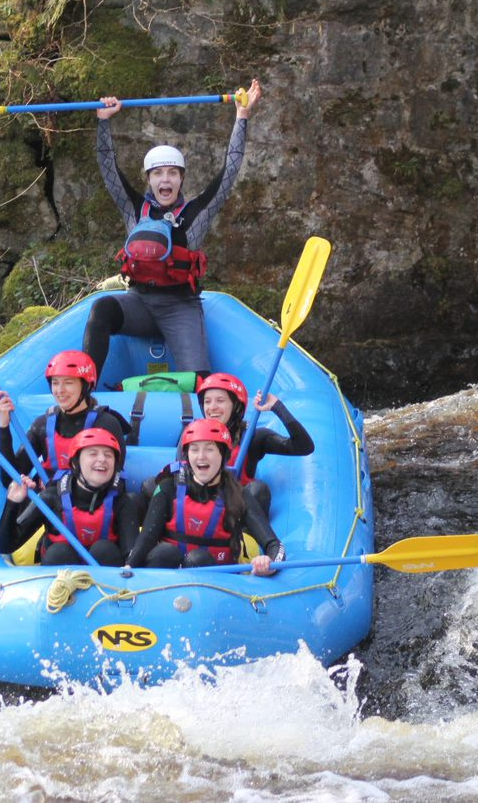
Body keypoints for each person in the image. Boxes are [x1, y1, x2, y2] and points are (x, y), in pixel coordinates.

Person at [81, 78, 264, 384]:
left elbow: (230, 170)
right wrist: (103, 121)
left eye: (172, 173)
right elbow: (108, 168)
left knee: (199, 379)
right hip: (138, 303)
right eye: (158, 174)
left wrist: (242, 116)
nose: (165, 180)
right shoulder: (134, 208)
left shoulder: (196, 212)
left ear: (181, 179)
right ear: (149, 179)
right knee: (101, 309)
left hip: (181, 309)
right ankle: (85, 391)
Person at [128, 418, 284, 573]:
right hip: (168, 577)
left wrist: (269, 564)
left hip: (215, 579)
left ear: (223, 455)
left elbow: (275, 546)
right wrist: (129, 566)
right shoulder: (168, 488)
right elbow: (147, 537)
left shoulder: (238, 495)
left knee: (198, 559)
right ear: (187, 455)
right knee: (165, 553)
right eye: (194, 450)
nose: (201, 456)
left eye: (209, 449)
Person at [0, 428, 140, 566]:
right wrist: (12, 503)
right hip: (59, 574)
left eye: (108, 455)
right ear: (75, 463)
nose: (102, 459)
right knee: (59, 553)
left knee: (104, 551)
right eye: (93, 454)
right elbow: (5, 546)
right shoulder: (51, 498)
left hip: (104, 576)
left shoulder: (122, 503)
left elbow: (132, 558)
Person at [0, 349, 126, 485]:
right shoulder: (43, 425)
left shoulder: (106, 424)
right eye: (55, 383)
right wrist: (3, 427)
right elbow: (9, 479)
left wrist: (58, 487)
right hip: (51, 496)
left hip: (87, 497)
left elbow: (113, 481)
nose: (60, 390)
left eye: (68, 382)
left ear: (86, 386)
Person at [196, 372, 313, 513]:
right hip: (201, 513)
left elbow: (304, 447)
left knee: (258, 490)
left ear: (236, 406)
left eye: (220, 400)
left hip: (237, 515)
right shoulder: (193, 437)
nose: (212, 407)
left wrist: (277, 407)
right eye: (207, 401)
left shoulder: (253, 438)